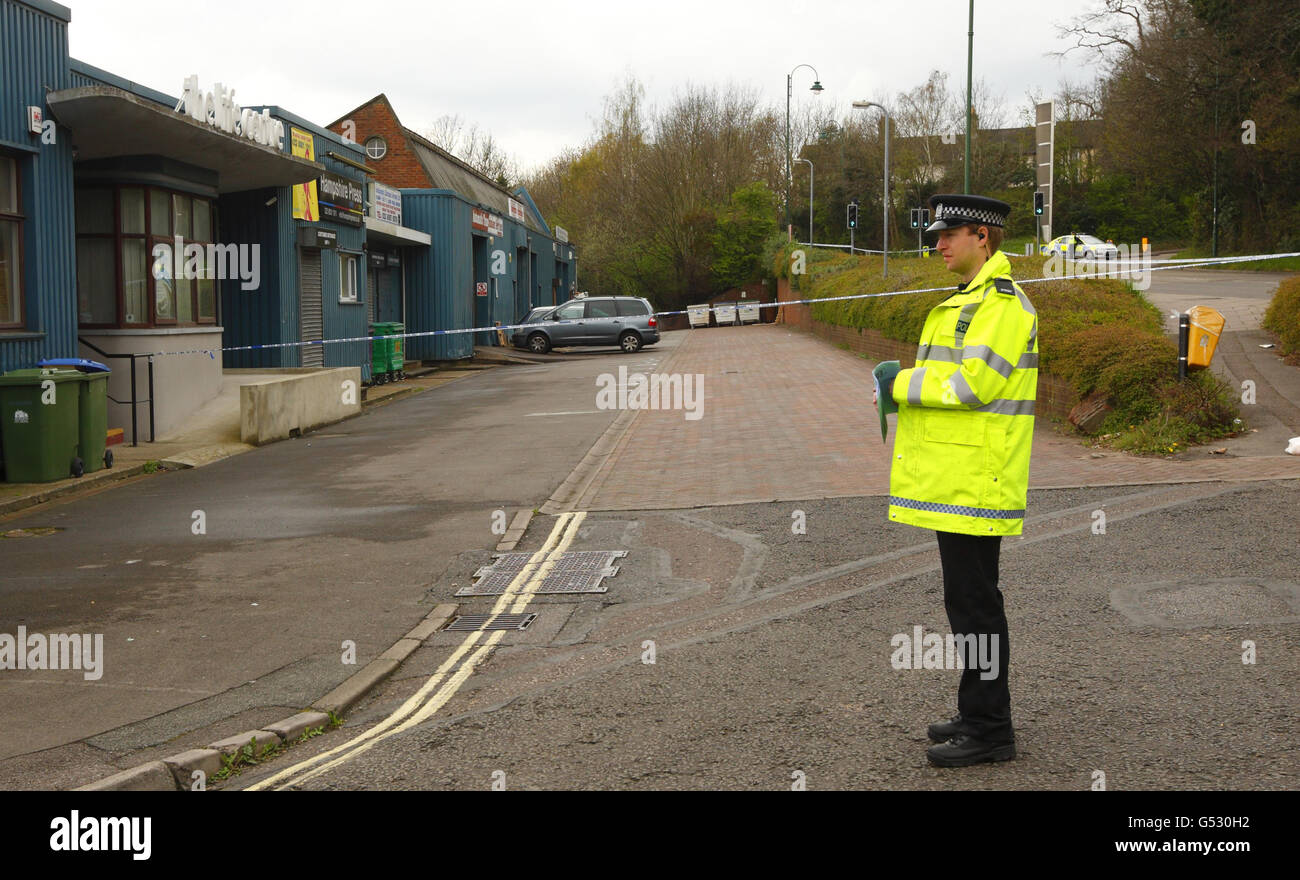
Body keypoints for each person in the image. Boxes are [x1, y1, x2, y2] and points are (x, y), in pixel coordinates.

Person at [873, 193, 1038, 767]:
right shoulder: (971, 302)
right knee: (968, 605)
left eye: (949, 235)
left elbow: (975, 385)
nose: (937, 244)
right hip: (960, 480)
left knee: (976, 608)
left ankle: (992, 731)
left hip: (977, 480)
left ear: (983, 238)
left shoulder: (1002, 304)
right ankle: (978, 715)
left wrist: (899, 384)